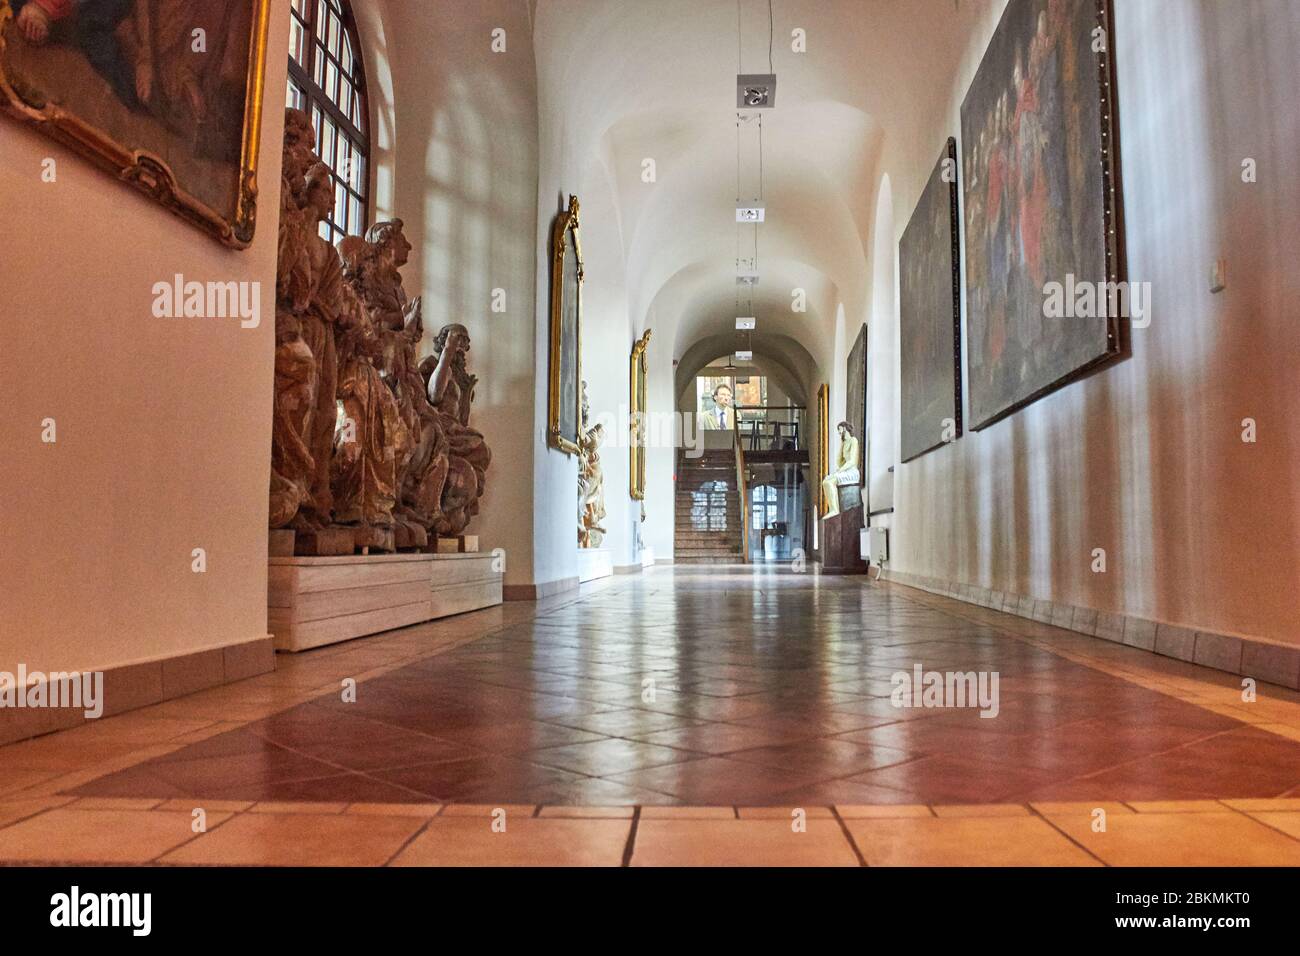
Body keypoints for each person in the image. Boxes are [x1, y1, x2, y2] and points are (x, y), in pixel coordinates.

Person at [821, 421, 861, 518]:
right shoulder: (845, 443)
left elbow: (852, 461)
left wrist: (839, 471)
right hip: (846, 470)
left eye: (839, 430)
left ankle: (834, 509)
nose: (839, 432)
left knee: (829, 482)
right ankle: (833, 508)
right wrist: (842, 444)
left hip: (852, 472)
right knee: (826, 480)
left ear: (844, 429)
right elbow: (839, 462)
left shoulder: (853, 440)